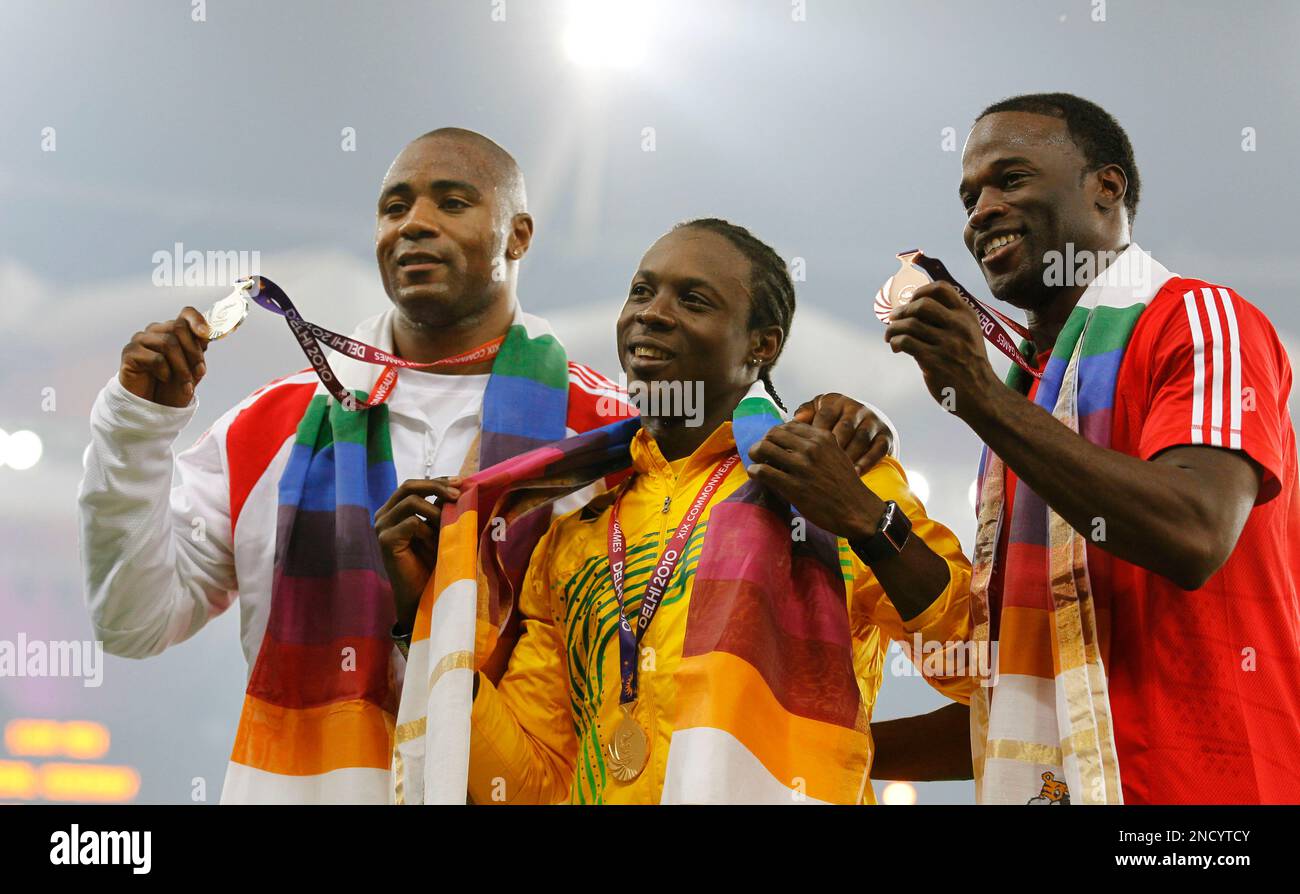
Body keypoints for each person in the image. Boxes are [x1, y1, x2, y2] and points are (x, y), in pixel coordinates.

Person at [77, 129, 895, 804]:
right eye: (395, 206)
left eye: (453, 201)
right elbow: (134, 623)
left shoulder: (612, 435)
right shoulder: (269, 425)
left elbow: (739, 441)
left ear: (519, 235)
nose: (415, 223)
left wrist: (843, 423)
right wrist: (136, 426)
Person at [380, 219, 974, 804]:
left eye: (692, 300)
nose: (651, 312)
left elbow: (973, 663)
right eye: (641, 290)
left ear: (762, 344)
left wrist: (870, 522)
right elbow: (531, 785)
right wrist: (423, 619)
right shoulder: (574, 537)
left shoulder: (830, 473)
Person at [884, 93, 1300, 804]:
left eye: (1009, 180)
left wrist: (980, 398)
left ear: (1107, 188)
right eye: (969, 195)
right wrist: (818, 740)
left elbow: (1194, 531)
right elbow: (1016, 702)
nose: (979, 211)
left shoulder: (1202, 319)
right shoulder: (1030, 405)